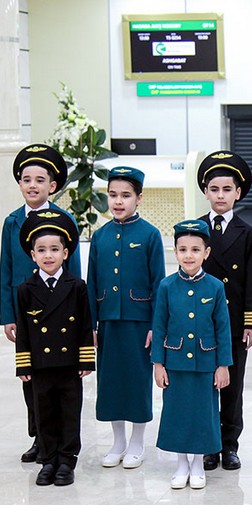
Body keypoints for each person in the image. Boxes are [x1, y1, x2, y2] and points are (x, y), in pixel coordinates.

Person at [0, 143, 81, 464]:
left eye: (39, 179)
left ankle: (63, 440)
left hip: (61, 314)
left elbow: (74, 274)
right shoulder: (11, 222)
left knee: (61, 380)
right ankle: (39, 437)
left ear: (53, 185)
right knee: (31, 378)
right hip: (27, 312)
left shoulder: (65, 219)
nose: (32, 185)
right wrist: (9, 316)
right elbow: (6, 269)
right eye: (26, 179)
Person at [87, 166, 165, 469]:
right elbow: (91, 283)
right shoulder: (100, 236)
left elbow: (159, 283)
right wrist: (90, 325)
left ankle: (136, 442)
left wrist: (155, 327)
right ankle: (117, 441)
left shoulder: (150, 235)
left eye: (125, 195)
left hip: (138, 323)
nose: (118, 201)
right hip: (108, 322)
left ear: (139, 198)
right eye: (113, 195)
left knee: (136, 382)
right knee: (110, 383)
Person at [15, 209, 95, 487]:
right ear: (32, 255)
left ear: (66, 252)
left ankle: (66, 461)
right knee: (44, 412)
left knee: (69, 413)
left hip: (70, 363)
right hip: (40, 364)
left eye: (54, 249)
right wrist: (23, 364)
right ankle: (48, 460)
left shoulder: (77, 287)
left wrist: (86, 360)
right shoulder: (25, 289)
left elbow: (85, 326)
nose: (48, 255)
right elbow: (23, 331)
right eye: (41, 250)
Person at [152, 220, 233, 490]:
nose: (189, 255)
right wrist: (158, 363)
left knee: (202, 414)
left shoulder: (215, 287)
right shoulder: (166, 286)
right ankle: (181, 464)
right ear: (175, 252)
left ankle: (198, 463)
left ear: (206, 253)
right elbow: (159, 325)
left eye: (195, 250)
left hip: (205, 362)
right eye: (183, 249)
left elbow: (223, 328)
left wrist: (223, 365)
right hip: (174, 361)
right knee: (177, 413)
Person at [196, 151, 252, 472]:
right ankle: (209, 444)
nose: (220, 196)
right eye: (214, 189)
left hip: (234, 322)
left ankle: (230, 445)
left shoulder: (245, 231)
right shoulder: (194, 229)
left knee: (233, 386)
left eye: (226, 190)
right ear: (205, 191)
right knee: (207, 384)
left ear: (238, 193)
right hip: (202, 322)